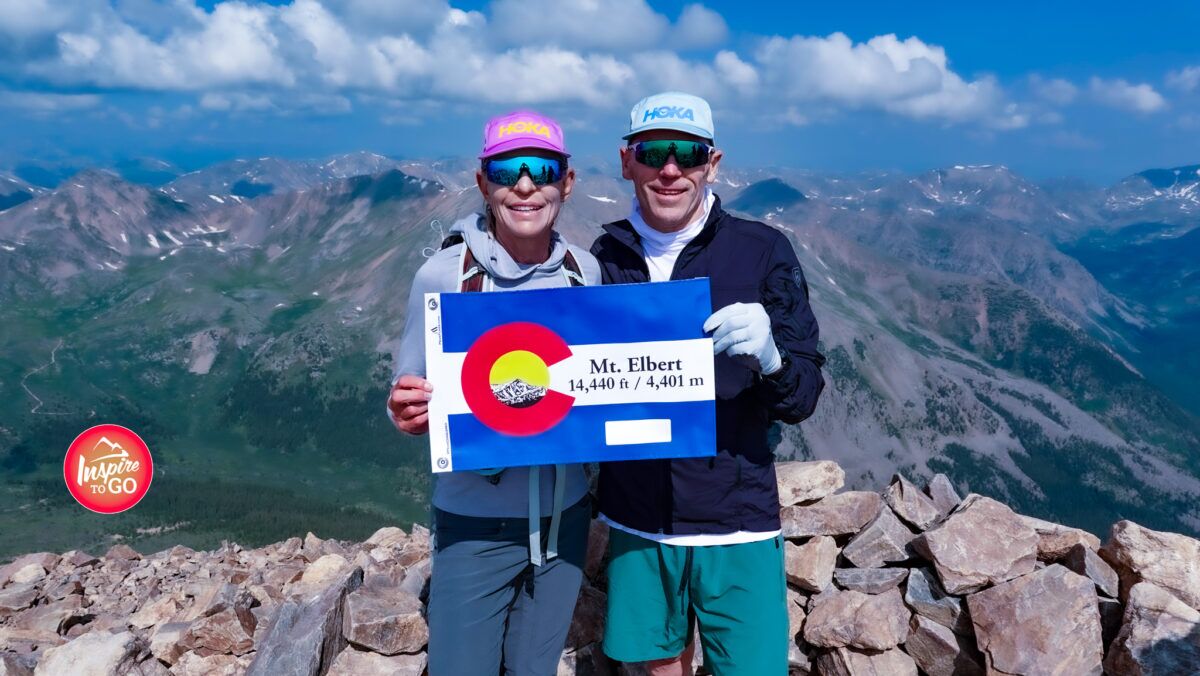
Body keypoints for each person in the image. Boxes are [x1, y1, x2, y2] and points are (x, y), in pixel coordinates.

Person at [591, 92, 826, 675]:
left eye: (687, 153)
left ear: (712, 163)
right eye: (653, 153)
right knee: (657, 665)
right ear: (628, 162)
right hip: (637, 516)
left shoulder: (763, 250)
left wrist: (771, 357)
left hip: (736, 517)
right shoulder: (604, 255)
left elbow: (803, 395)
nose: (670, 169)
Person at [387, 111, 599, 675]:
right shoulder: (443, 275)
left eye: (543, 169)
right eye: (507, 170)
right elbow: (408, 389)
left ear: (567, 182)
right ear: (484, 183)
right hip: (474, 523)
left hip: (565, 521)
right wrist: (405, 410)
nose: (525, 184)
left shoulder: (587, 273)